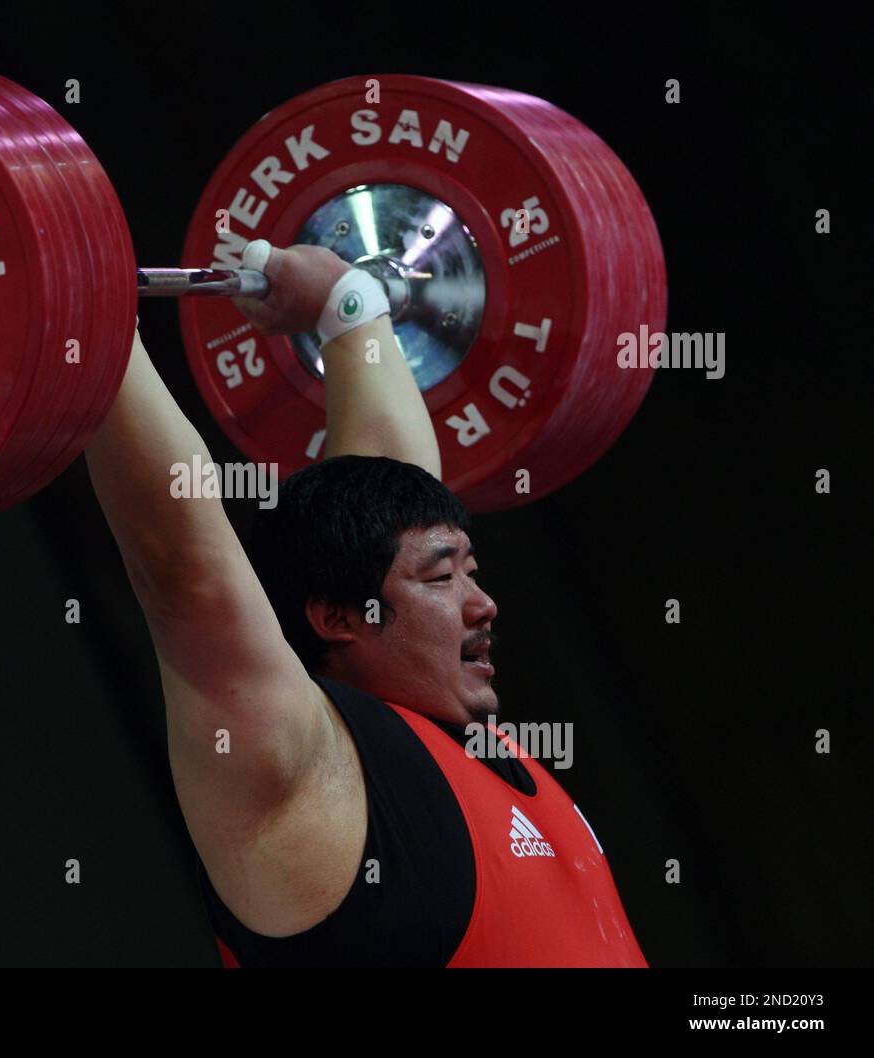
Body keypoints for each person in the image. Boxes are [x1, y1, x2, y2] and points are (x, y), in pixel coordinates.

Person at [84, 239, 646, 967]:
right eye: (445, 581)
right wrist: (91, 327)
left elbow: (389, 500)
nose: (485, 605)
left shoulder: (465, 748)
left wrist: (349, 310)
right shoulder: (299, 770)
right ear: (339, 617)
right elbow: (187, 571)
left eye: (469, 572)